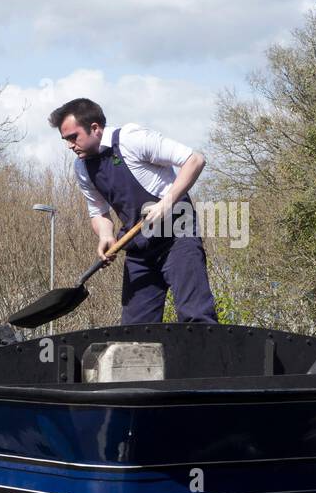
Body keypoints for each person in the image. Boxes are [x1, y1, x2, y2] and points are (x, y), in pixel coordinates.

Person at [49, 97, 217, 324]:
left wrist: (165, 203)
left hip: (178, 236)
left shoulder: (132, 139)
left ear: (95, 128)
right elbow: (98, 211)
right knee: (134, 331)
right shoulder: (82, 167)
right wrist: (106, 236)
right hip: (139, 249)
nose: (70, 145)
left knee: (195, 316)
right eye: (65, 140)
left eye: (73, 137)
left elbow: (195, 160)